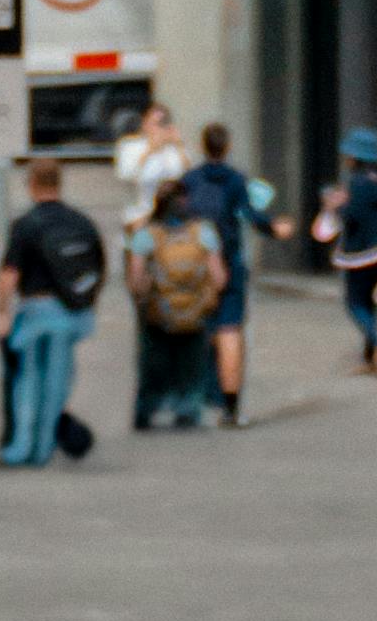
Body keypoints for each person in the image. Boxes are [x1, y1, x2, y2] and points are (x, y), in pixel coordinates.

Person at [0, 159, 106, 467]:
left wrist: (2, 312)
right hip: (72, 316)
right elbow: (98, 268)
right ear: (59, 183)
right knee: (58, 382)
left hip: (36, 313)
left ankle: (22, 448)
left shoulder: (26, 224)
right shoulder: (82, 222)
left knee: (28, 380)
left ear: (31, 184)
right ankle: (45, 448)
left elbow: (8, 274)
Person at [177, 121, 268, 428]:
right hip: (229, 263)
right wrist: (273, 227)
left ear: (203, 147)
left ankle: (192, 400)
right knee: (230, 331)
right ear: (227, 147)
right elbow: (249, 215)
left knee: (196, 331)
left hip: (193, 265)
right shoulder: (236, 180)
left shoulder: (189, 179)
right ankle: (230, 408)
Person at [127, 177, 225, 430]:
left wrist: (141, 298)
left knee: (153, 362)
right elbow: (219, 277)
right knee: (191, 363)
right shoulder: (203, 232)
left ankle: (147, 410)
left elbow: (136, 278)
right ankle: (188, 410)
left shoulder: (147, 234)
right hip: (194, 312)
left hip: (158, 312)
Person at [312, 126, 377, 373]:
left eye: (349, 154)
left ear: (356, 156)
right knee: (372, 301)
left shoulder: (358, 182)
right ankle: (371, 356)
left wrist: (335, 206)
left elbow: (352, 216)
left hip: (362, 253)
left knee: (355, 304)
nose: (346, 158)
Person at [115, 96, 186, 233]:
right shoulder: (130, 146)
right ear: (145, 124)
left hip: (171, 217)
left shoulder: (174, 149)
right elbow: (126, 175)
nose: (159, 129)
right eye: (155, 123)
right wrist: (149, 152)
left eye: (163, 124)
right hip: (140, 214)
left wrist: (179, 146)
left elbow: (187, 177)